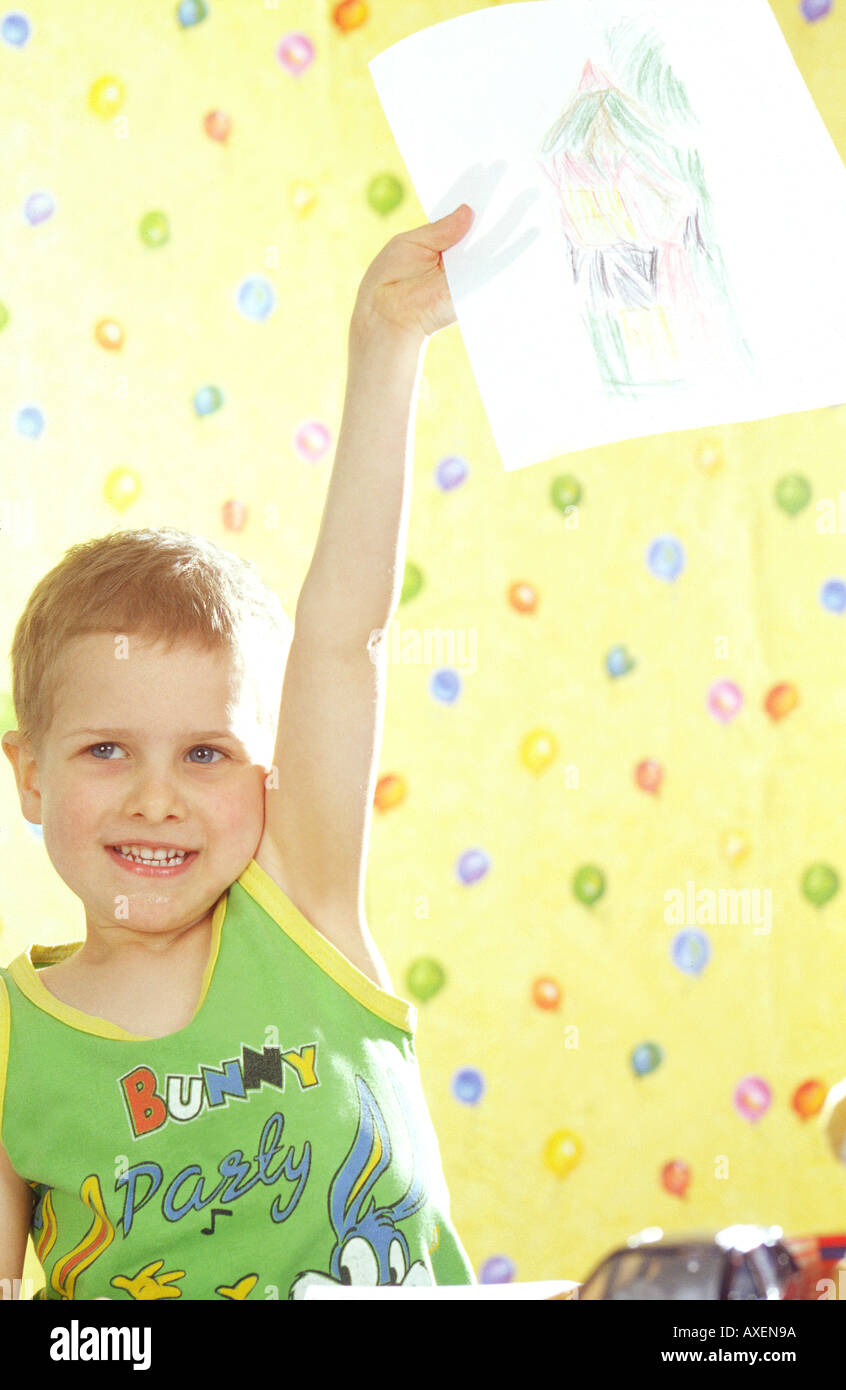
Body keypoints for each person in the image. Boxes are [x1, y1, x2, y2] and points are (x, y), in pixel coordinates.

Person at [0, 204, 477, 1301]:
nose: (157, 798)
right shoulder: (13, 1038)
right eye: (108, 749)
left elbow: (345, 637)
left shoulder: (304, 908)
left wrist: (387, 341)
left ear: (272, 775)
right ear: (31, 774)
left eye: (208, 754)